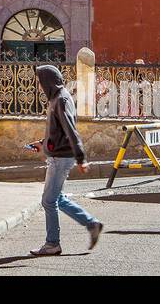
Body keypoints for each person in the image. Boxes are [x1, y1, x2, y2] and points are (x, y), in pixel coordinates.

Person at [26, 65, 103, 256]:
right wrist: (42, 143)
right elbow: (58, 131)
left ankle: (52, 244)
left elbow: (70, 130)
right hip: (57, 155)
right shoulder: (57, 98)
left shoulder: (61, 99)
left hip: (61, 158)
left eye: (40, 80)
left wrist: (81, 158)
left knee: (48, 201)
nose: (38, 84)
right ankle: (91, 224)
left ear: (48, 80)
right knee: (57, 198)